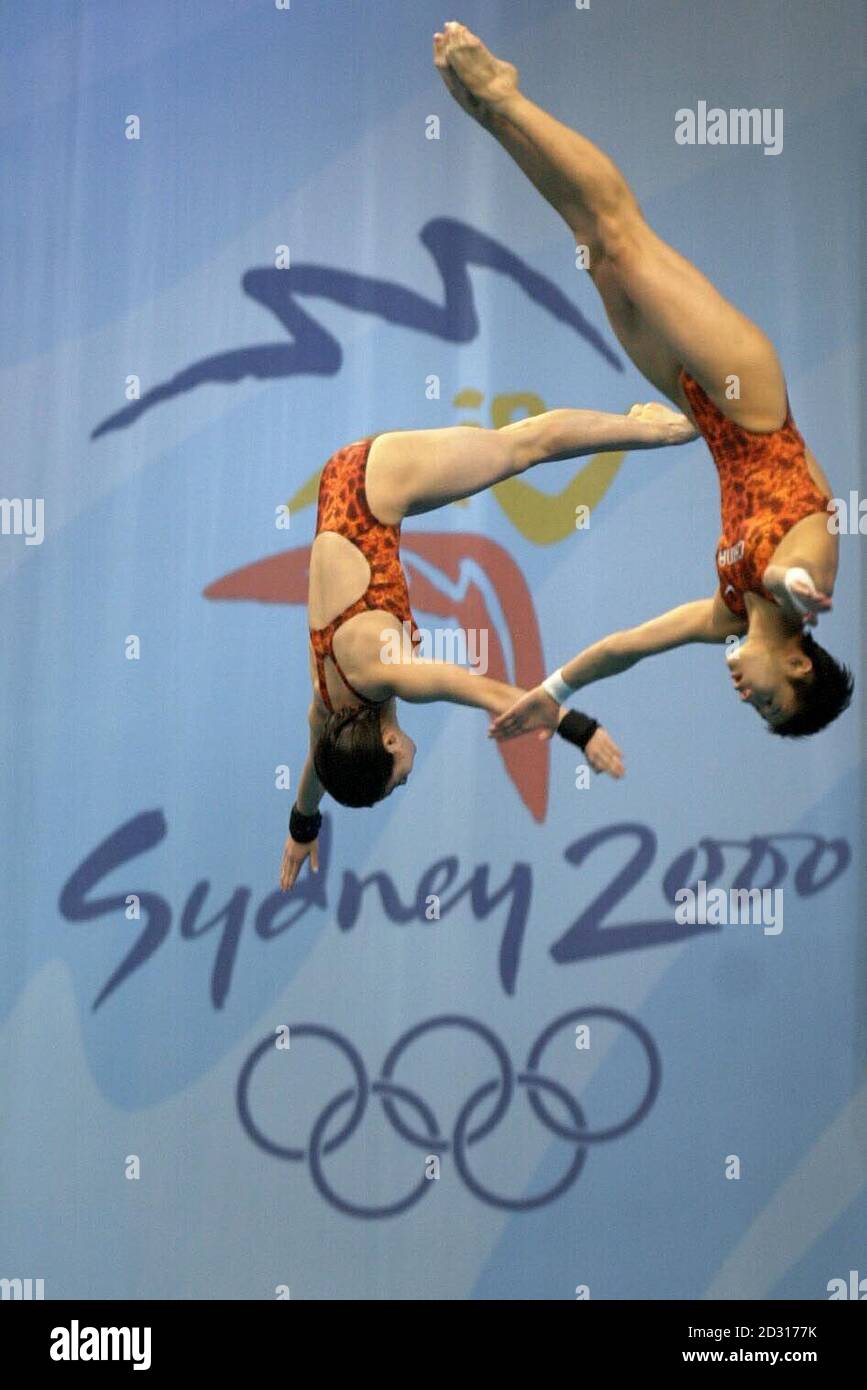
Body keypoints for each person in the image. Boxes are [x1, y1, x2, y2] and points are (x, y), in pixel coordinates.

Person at [432, 23, 853, 747]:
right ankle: (505, 93)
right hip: (748, 399)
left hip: (699, 405)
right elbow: (795, 568)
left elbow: (624, 646)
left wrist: (553, 698)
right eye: (769, 701)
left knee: (594, 251)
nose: (745, 696)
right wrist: (792, 588)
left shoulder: (727, 611)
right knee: (624, 237)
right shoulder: (806, 579)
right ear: (798, 664)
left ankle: (490, 116)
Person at [280, 401, 695, 889]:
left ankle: (664, 430)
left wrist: (575, 727)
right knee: (517, 450)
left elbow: (483, 690)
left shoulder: (389, 673)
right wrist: (301, 826)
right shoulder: (328, 708)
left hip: (376, 483)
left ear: (389, 742)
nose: (404, 780)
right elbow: (317, 764)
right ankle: (640, 423)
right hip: (341, 486)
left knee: (523, 448)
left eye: (397, 780)